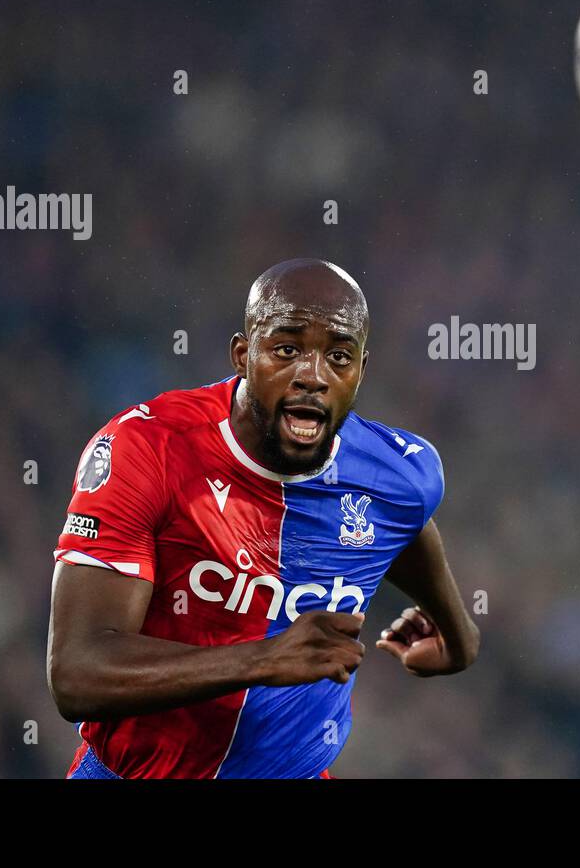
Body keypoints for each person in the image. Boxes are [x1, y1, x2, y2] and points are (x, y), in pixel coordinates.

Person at [47, 258, 480, 778]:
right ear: (242, 354)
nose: (313, 376)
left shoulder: (399, 474)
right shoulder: (146, 450)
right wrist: (263, 660)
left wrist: (458, 636)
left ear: (361, 371)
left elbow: (408, 521)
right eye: (287, 349)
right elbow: (77, 674)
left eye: (339, 356)